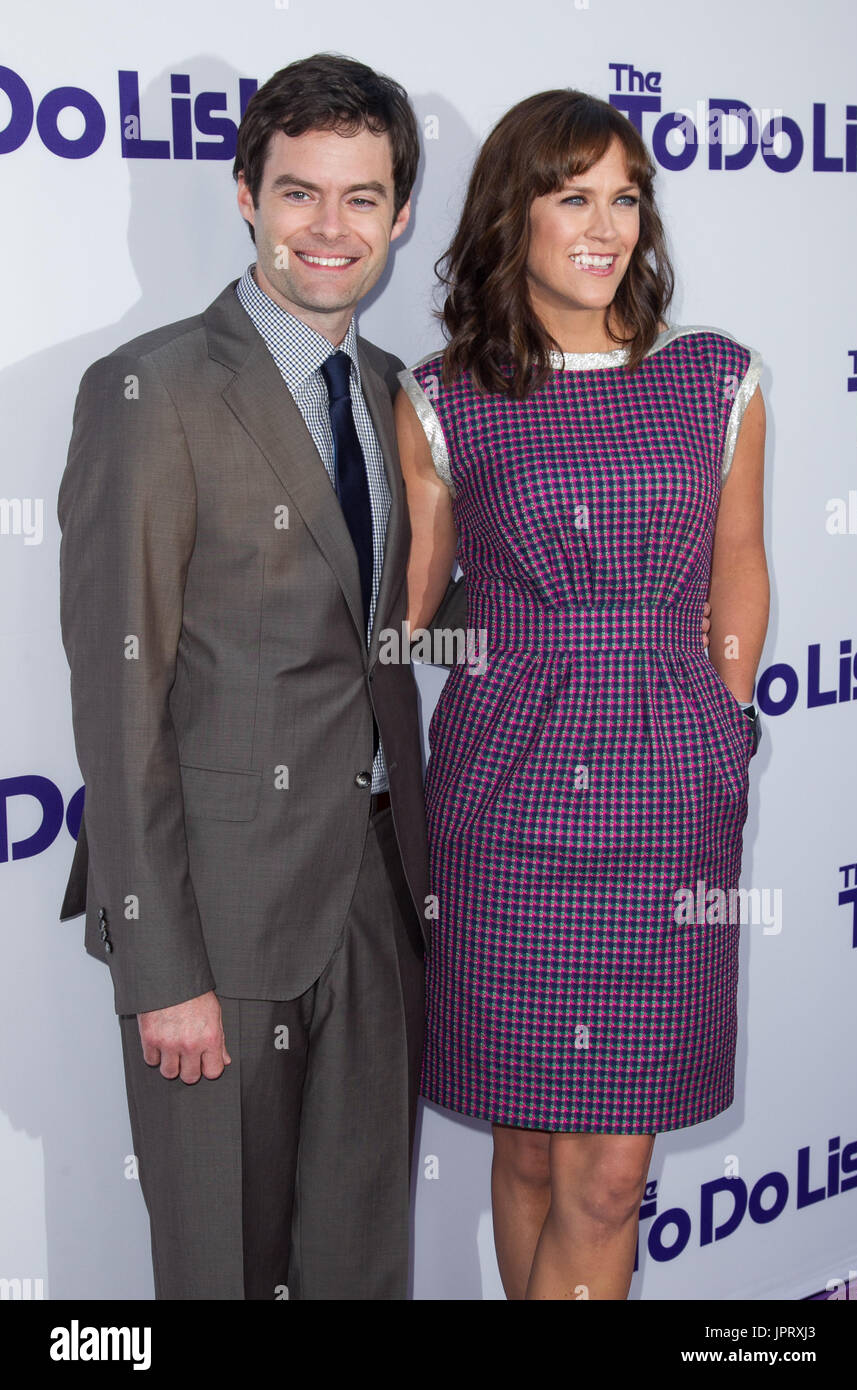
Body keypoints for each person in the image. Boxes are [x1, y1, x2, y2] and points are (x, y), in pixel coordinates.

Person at [57, 52, 432, 1301]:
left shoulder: (395, 400)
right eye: (299, 194)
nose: (330, 229)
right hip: (215, 921)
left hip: (374, 902)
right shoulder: (150, 390)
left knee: (357, 1264)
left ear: (400, 213)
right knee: (218, 1271)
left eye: (361, 198)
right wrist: (164, 970)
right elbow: (118, 697)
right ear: (244, 197)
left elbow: (412, 629)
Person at [395, 88, 768, 1301]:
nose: (606, 225)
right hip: (506, 802)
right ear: (515, 213)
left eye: (625, 196)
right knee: (525, 1137)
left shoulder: (718, 377)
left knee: (609, 1172)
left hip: (670, 795)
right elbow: (415, 613)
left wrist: (722, 723)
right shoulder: (440, 394)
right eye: (573, 196)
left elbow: (739, 569)